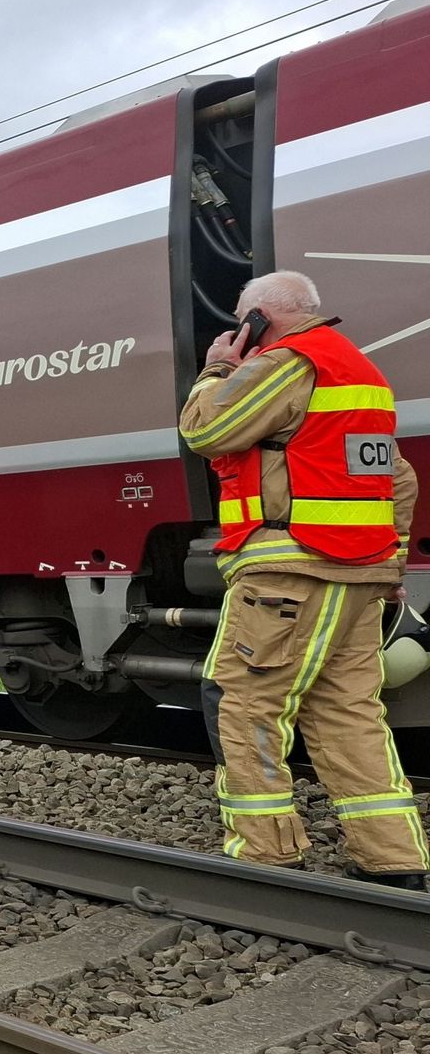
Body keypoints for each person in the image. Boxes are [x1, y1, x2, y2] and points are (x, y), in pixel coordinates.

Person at [181, 270, 426, 889]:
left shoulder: (288, 363)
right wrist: (390, 565)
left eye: (244, 324)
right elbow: (399, 480)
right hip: (359, 578)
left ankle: (266, 858)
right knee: (348, 712)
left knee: (245, 703)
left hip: (288, 572)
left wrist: (216, 368)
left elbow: (205, 430)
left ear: (258, 318)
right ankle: (394, 862)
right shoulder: (361, 376)